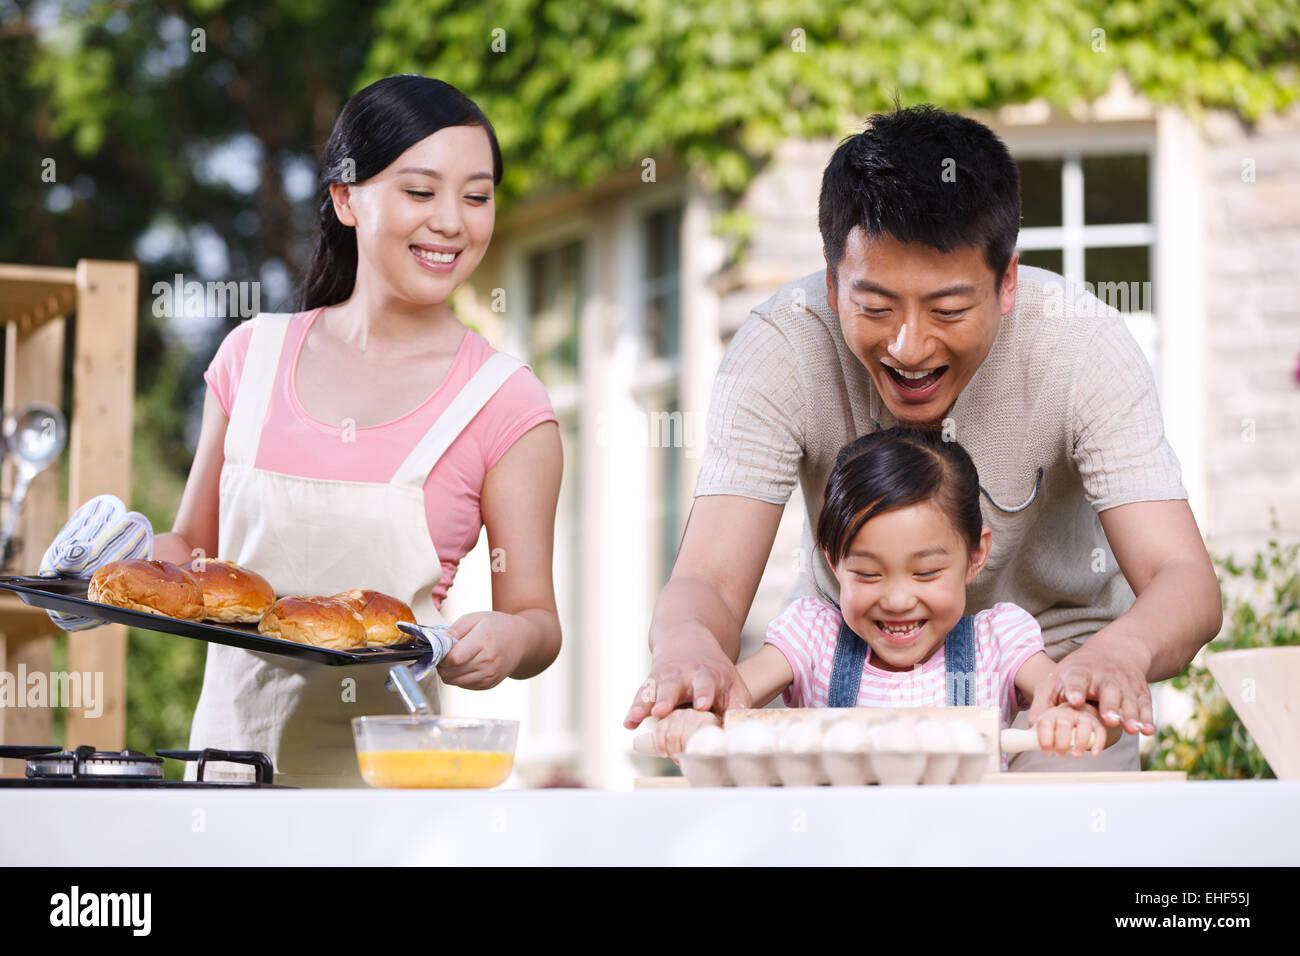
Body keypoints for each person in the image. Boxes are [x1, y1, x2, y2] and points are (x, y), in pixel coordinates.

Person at [627, 105, 1222, 771]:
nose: (909, 347)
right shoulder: (780, 349)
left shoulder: (1084, 347)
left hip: (1056, 679)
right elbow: (707, 577)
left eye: (949, 310)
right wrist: (688, 649)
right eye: (875, 308)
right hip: (852, 665)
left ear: (1007, 285)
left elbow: (1183, 578)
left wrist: (1118, 654)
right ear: (831, 284)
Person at [43, 75, 563, 787]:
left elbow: (537, 619)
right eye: (420, 192)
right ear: (346, 199)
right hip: (227, 779)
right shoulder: (250, 358)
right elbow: (195, 551)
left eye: (477, 196)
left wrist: (511, 639)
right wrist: (98, 577)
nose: (453, 221)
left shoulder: (503, 400)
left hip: (394, 793)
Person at [651, 427, 1121, 763]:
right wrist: (702, 719)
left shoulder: (997, 643)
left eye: (926, 572)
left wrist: (1076, 717)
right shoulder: (814, 640)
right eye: (869, 574)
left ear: (976, 556)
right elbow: (730, 696)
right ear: (834, 560)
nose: (897, 600)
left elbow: (1076, 702)